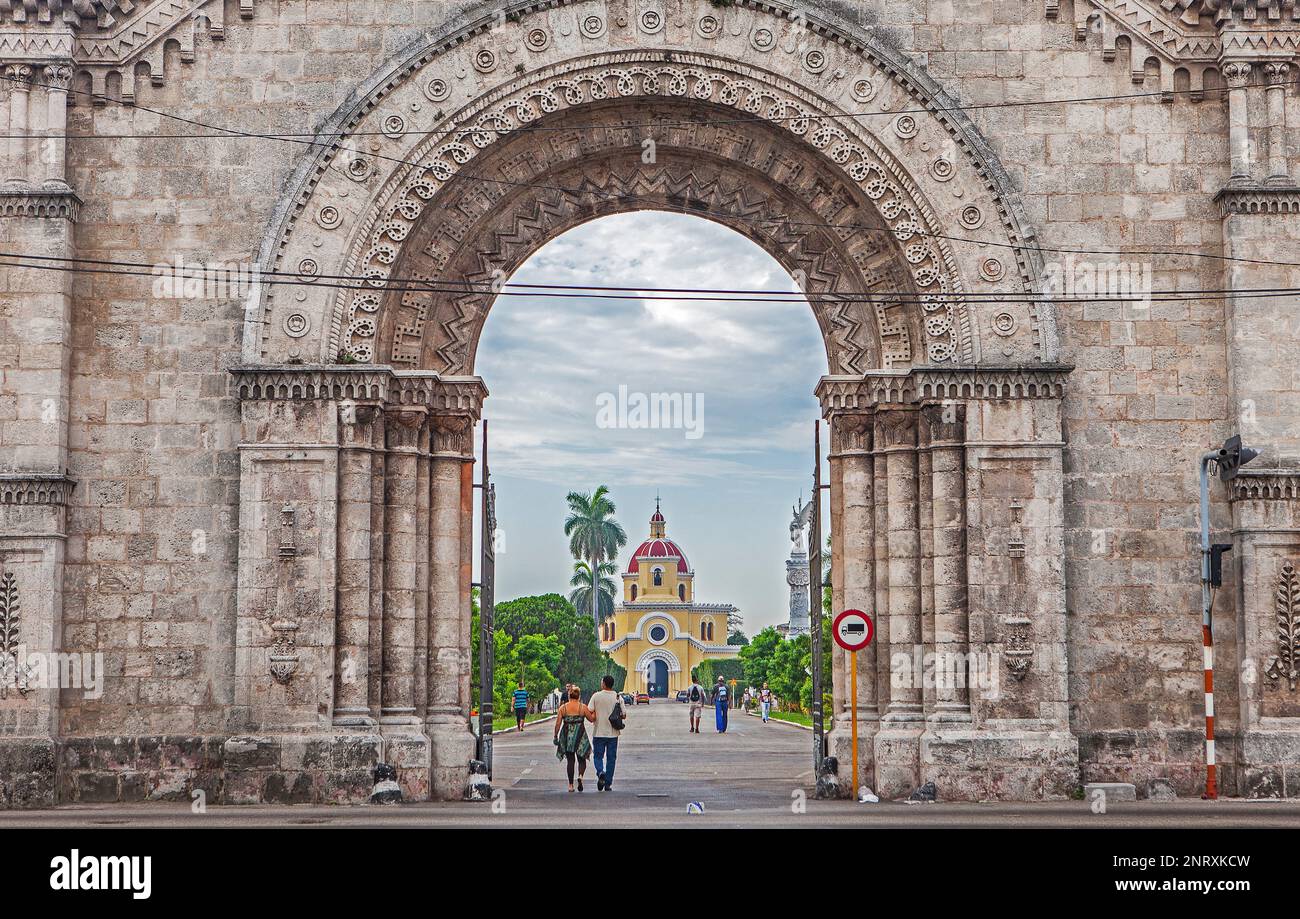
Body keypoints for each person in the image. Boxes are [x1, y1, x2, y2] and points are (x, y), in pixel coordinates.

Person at [553, 685, 594, 792]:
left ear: (569, 695)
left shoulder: (563, 708)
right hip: (581, 735)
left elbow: (558, 724)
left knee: (570, 761)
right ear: (579, 696)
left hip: (567, 737)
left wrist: (555, 736)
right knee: (582, 759)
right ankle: (580, 776)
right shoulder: (583, 707)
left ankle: (571, 785)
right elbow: (591, 719)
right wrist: (595, 712)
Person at [587, 674, 622, 792]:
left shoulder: (596, 696)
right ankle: (608, 783)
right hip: (613, 734)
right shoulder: (618, 697)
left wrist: (594, 717)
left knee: (598, 756)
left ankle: (600, 772)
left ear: (604, 684)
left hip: (598, 732)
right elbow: (624, 715)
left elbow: (590, 711)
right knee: (611, 758)